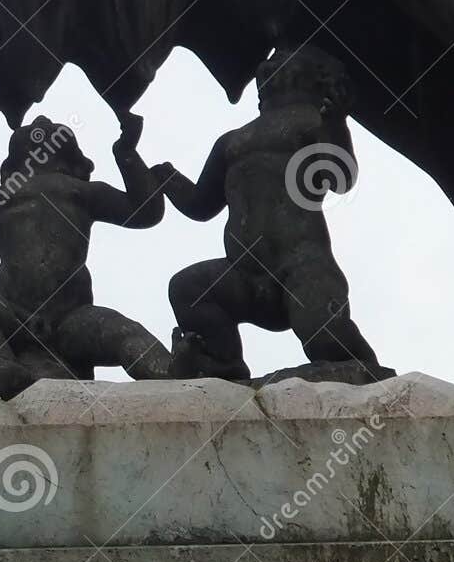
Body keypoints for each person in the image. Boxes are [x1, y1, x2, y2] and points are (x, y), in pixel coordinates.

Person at [0, 113, 170, 399]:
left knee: (125, 333)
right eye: (36, 129)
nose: (41, 122)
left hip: (71, 317)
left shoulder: (82, 191)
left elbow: (145, 210)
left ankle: (172, 372)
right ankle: (3, 365)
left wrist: (126, 153)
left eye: (47, 129)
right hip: (10, 311)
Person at [155, 45, 383, 380]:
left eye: (286, 57)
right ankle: (224, 364)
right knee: (188, 288)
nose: (274, 60)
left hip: (302, 266)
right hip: (244, 275)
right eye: (274, 58)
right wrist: (169, 180)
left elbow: (341, 178)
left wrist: (335, 125)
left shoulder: (311, 122)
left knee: (326, 337)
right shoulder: (231, 141)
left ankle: (371, 374)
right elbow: (201, 205)